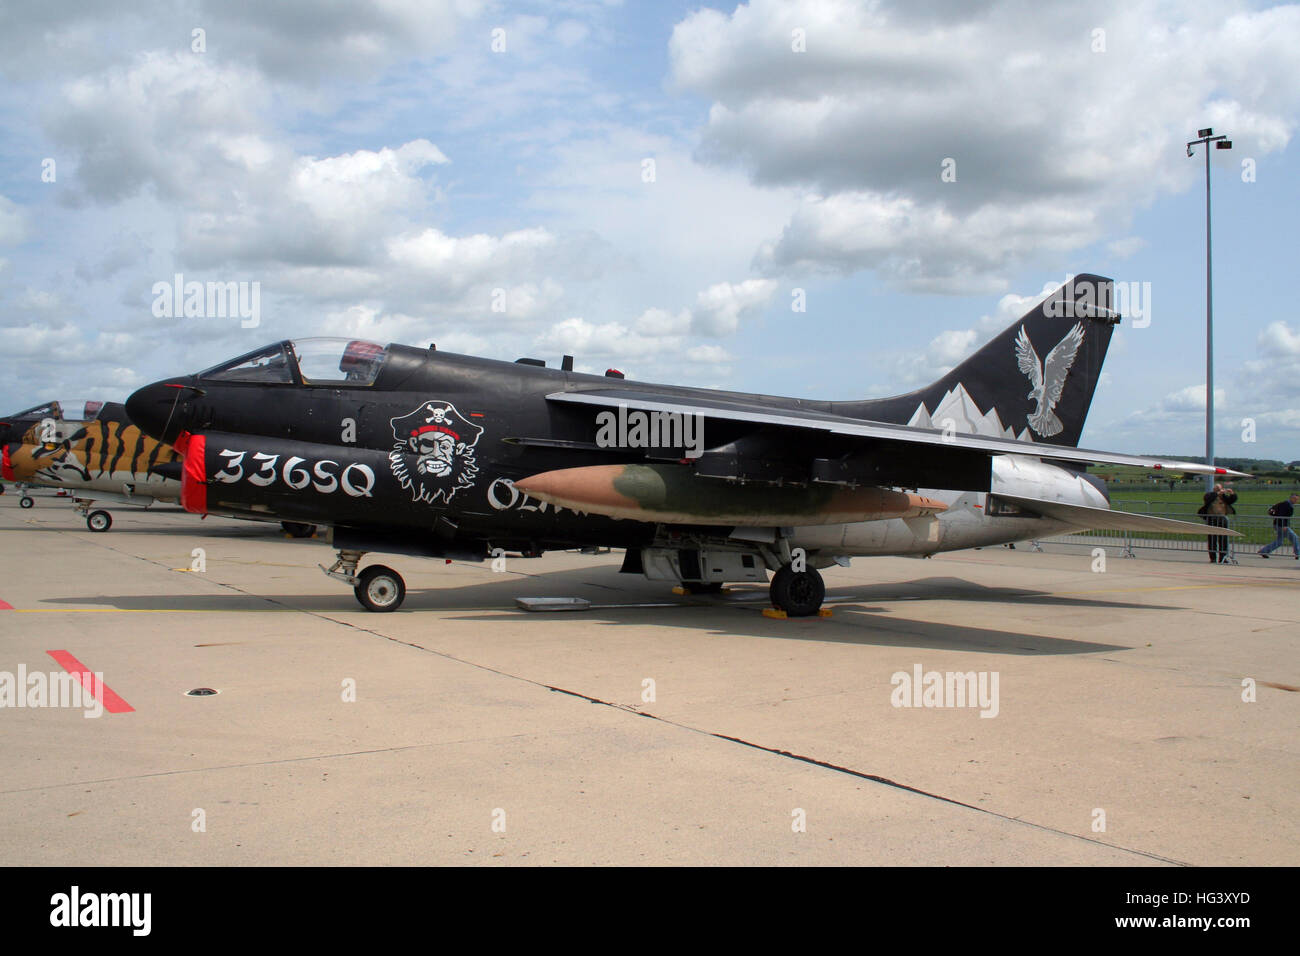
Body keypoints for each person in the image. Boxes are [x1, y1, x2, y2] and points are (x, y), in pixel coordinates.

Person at [1197, 483, 1237, 563]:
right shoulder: (1209, 495)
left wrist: (1232, 493)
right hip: (1211, 519)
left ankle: (1223, 557)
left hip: (1222, 519)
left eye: (1219, 489)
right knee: (1212, 539)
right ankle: (1213, 558)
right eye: (1217, 489)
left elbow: (1231, 500)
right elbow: (1208, 499)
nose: (1219, 490)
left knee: (1223, 539)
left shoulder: (1223, 497)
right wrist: (1217, 494)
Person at [1258, 492, 1299, 559]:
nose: (1296, 501)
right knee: (1295, 537)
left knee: (1279, 541)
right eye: (1295, 499)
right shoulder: (1286, 505)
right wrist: (1284, 525)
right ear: (1291, 498)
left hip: (1278, 525)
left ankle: (1264, 551)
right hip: (1281, 526)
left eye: (1297, 499)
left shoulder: (1287, 504)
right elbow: (1281, 515)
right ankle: (1298, 554)